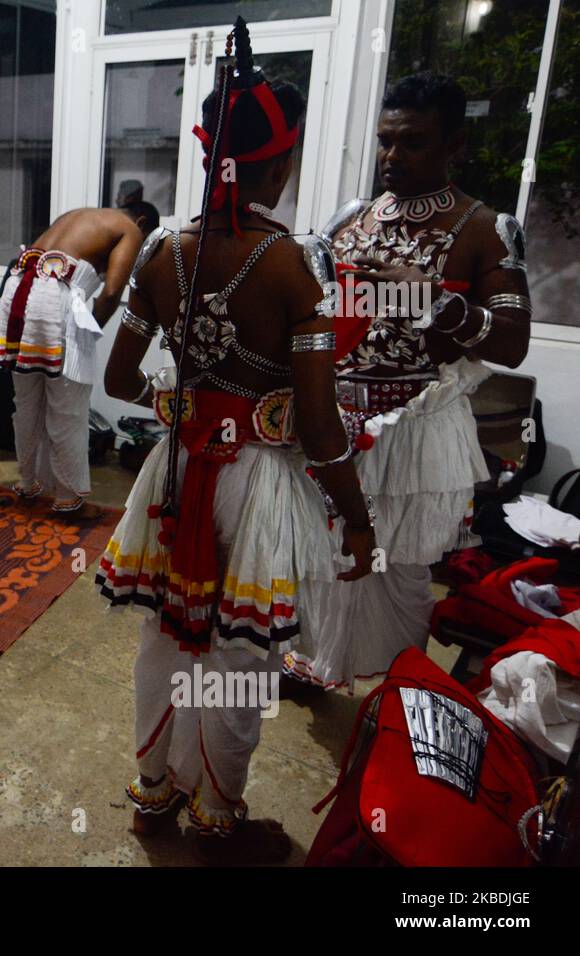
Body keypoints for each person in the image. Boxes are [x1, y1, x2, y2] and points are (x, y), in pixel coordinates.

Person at [97, 29, 375, 864]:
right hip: (256, 482)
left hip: (173, 474)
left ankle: (155, 789)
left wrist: (181, 406)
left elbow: (117, 379)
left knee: (166, 634)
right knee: (238, 652)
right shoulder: (296, 265)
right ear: (279, 165)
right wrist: (357, 521)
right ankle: (217, 811)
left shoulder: (161, 252)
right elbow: (321, 428)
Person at [284, 72, 531, 692]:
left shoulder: (486, 228)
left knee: (398, 569)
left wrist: (431, 299)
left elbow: (511, 342)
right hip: (335, 419)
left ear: (455, 145)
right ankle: (318, 666)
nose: (391, 157)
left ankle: (399, 694)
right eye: (384, 141)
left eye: (412, 142)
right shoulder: (351, 215)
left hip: (415, 427)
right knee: (322, 558)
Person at [0, 204, 154, 519]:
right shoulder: (130, 229)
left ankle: (27, 485)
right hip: (54, 299)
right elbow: (111, 292)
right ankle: (68, 501)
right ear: (142, 222)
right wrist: (87, 337)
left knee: (27, 404)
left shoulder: (79, 215)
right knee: (68, 408)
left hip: (18, 291)